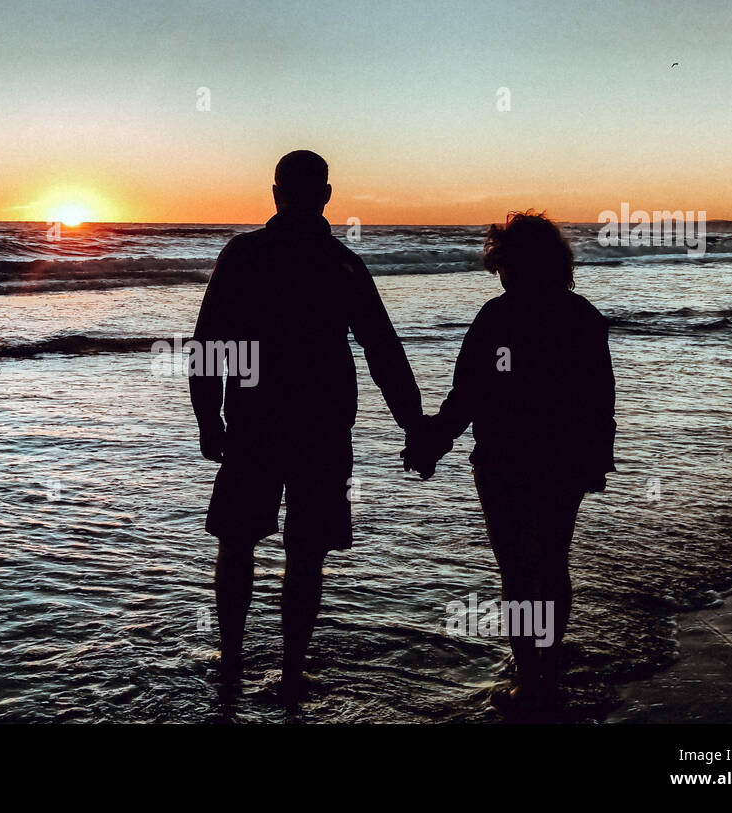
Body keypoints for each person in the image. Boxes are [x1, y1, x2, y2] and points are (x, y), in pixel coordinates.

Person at [190, 150, 428, 698]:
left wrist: (207, 417)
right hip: (323, 424)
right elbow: (382, 350)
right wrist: (414, 425)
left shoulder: (244, 254)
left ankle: (230, 659)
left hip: (253, 419)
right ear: (325, 195)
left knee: (237, 538)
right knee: (307, 548)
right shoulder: (341, 262)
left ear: (275, 193)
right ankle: (292, 669)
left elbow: (208, 343)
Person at [405, 211, 615, 719]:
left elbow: (468, 394)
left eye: (501, 261)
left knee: (520, 573)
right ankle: (544, 670)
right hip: (564, 460)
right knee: (553, 562)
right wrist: (597, 460)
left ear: (509, 263)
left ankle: (531, 682)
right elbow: (601, 398)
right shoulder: (581, 316)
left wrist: (431, 442)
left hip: (505, 461)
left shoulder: (497, 317)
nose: (498, 270)